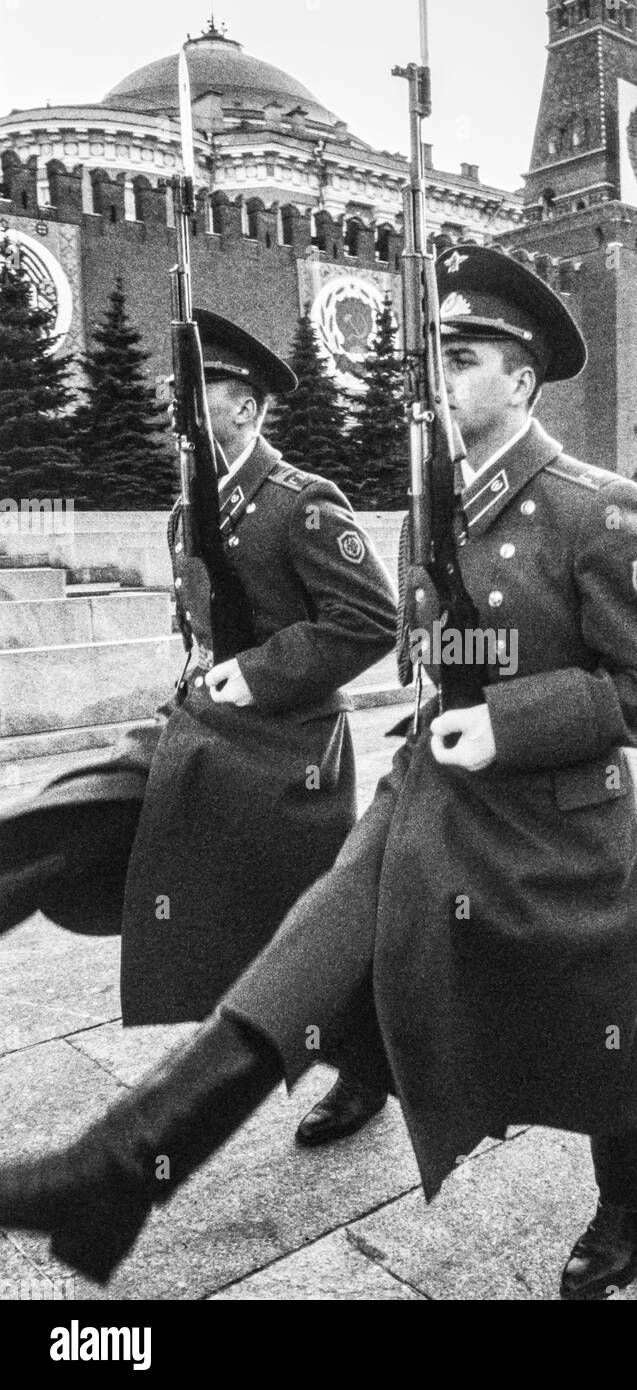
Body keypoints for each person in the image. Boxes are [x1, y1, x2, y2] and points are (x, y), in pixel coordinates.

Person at [0, 247, 637, 1302]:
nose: (442, 378)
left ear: (521, 378)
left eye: (463, 358)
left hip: (557, 825)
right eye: (437, 357)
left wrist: (507, 723)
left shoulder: (591, 507)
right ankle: (116, 1169)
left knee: (594, 1027)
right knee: (292, 971)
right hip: (427, 800)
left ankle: (627, 1196)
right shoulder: (433, 510)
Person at [0, 309, 398, 1136]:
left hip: (288, 752)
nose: (179, 407)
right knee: (81, 807)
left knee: (302, 929)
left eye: (197, 393)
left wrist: (254, 675)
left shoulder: (302, 504)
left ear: (245, 407)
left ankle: (366, 1072)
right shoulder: (192, 507)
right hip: (205, 732)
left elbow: (369, 621)